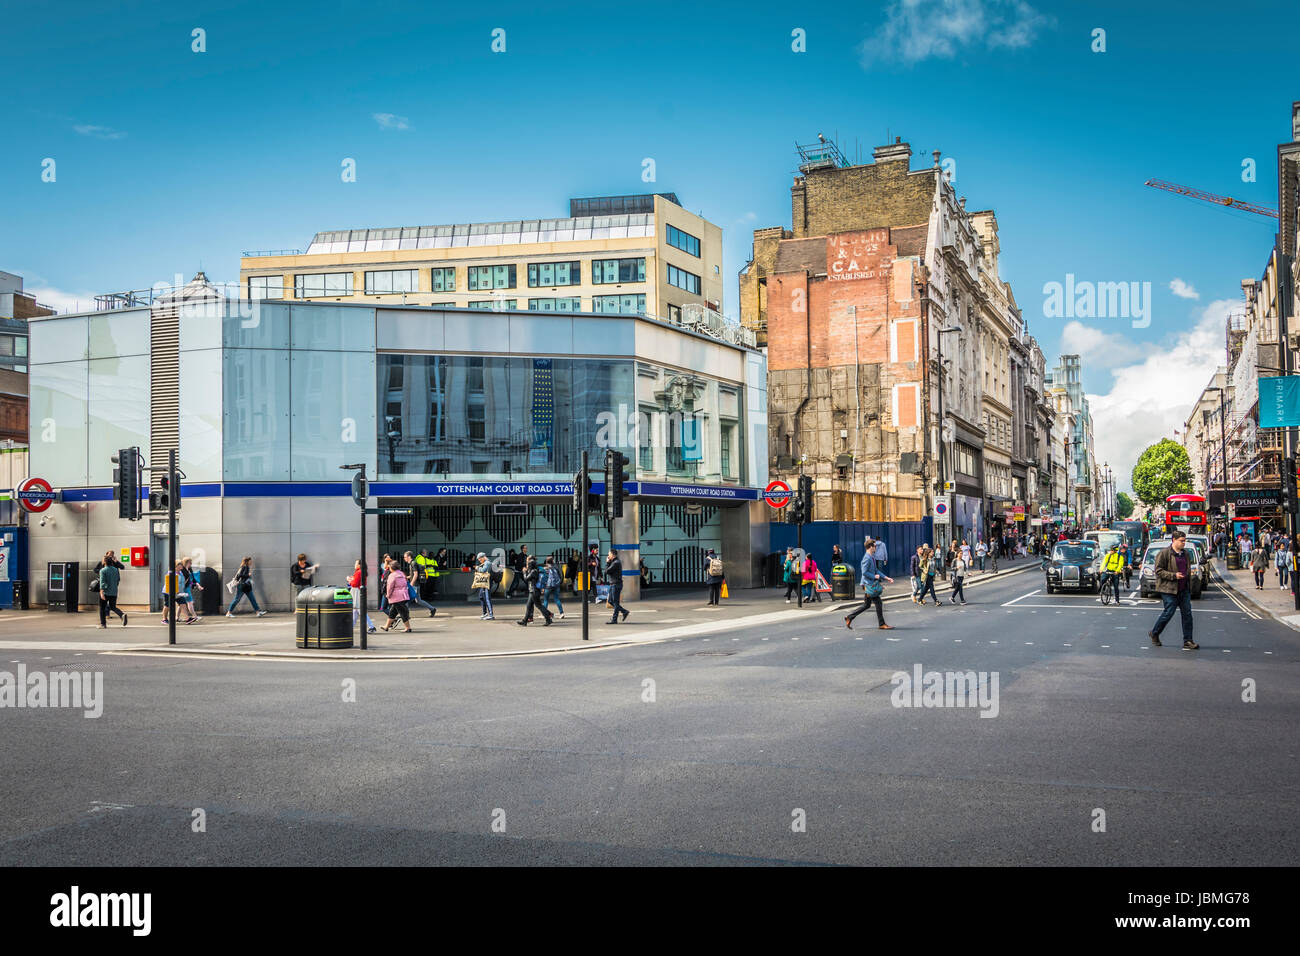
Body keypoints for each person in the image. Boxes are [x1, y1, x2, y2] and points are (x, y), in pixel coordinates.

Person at [1149, 530, 1198, 650]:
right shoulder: (1164, 553)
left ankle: (1188, 640)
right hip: (1168, 589)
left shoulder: (1185, 553)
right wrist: (1173, 575)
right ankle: (1155, 633)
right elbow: (1158, 570)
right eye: (1181, 541)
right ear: (1174, 540)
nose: (1183, 543)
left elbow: (1187, 569)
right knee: (1168, 613)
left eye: (1184, 541)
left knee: (1187, 615)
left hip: (1183, 589)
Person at [845, 536, 894, 629]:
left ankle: (849, 617)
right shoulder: (866, 558)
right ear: (871, 547)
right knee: (878, 603)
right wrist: (874, 576)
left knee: (867, 605)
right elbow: (864, 572)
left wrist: (886, 578)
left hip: (869, 584)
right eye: (875, 546)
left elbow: (876, 570)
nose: (876, 548)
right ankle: (881, 624)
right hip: (868, 584)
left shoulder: (871, 557)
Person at [516, 555, 553, 626]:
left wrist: (524, 572)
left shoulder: (533, 572)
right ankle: (524, 621)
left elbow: (526, 579)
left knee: (539, 606)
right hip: (533, 591)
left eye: (529, 564)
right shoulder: (535, 570)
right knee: (529, 606)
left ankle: (548, 619)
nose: (528, 565)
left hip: (534, 591)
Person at [96, 549, 127, 628]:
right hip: (114, 591)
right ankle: (122, 614)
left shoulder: (103, 570)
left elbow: (102, 582)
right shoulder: (115, 570)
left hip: (106, 592)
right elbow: (117, 579)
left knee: (102, 608)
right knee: (113, 606)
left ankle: (103, 624)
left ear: (105, 562)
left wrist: (101, 592)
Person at [381, 559, 413, 633]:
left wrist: (388, 595)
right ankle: (386, 626)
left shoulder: (392, 575)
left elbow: (390, 587)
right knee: (393, 612)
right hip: (404, 595)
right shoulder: (402, 574)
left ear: (391, 568)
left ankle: (408, 628)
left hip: (396, 597)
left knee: (402, 612)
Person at [403, 551, 438, 617]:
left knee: (406, 599)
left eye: (405, 557)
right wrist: (407, 577)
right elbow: (413, 574)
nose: (404, 558)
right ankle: (432, 609)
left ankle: (406, 615)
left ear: (409, 557)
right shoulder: (412, 563)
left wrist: (411, 584)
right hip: (416, 585)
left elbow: (416, 574)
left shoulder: (413, 563)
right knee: (418, 600)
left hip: (415, 585)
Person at [348, 560, 378, 633]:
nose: (354, 565)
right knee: (355, 610)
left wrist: (349, 580)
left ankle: (371, 626)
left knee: (358, 610)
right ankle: (350, 627)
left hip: (357, 592)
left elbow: (354, 584)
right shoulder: (360, 572)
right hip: (358, 592)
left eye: (356, 563)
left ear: (359, 565)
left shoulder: (359, 572)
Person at [605, 548, 629, 623]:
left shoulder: (616, 563)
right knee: (610, 601)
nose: (608, 556)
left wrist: (607, 563)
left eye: (609, 554)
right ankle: (624, 611)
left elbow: (607, 571)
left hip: (616, 584)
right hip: (613, 584)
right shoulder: (614, 562)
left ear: (612, 555)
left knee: (615, 602)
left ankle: (614, 619)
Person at [473, 552, 495, 620]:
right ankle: (485, 613)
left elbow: (483, 570)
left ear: (483, 557)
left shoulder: (487, 563)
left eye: (480, 559)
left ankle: (491, 615)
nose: (480, 561)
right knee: (481, 596)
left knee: (487, 598)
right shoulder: (486, 563)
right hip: (484, 583)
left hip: (487, 583)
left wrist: (477, 568)